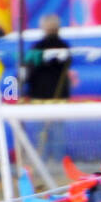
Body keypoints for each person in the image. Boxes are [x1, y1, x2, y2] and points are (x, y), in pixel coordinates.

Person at [27, 14, 72, 160]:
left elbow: (29, 70)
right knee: (58, 130)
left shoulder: (37, 48)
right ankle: (59, 161)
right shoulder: (65, 47)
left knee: (41, 132)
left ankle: (42, 159)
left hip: (39, 96)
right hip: (59, 96)